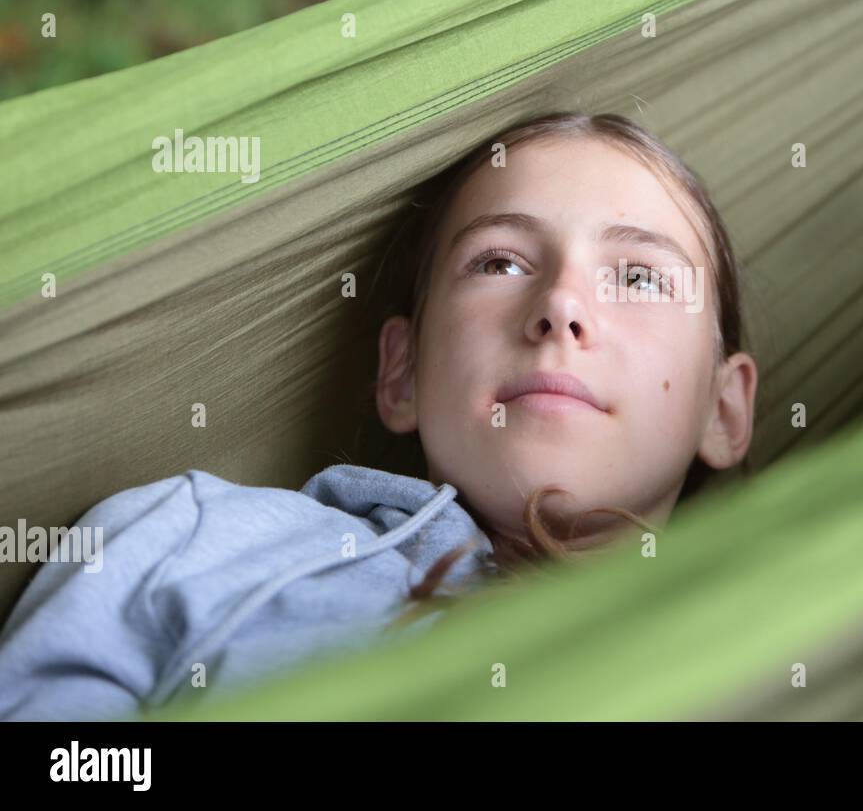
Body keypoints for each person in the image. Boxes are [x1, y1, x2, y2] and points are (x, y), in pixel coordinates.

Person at [0, 111, 759, 720]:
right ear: (401, 372)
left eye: (639, 276)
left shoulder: (773, 645)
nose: (561, 304)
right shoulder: (192, 544)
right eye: (501, 262)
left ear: (725, 410)